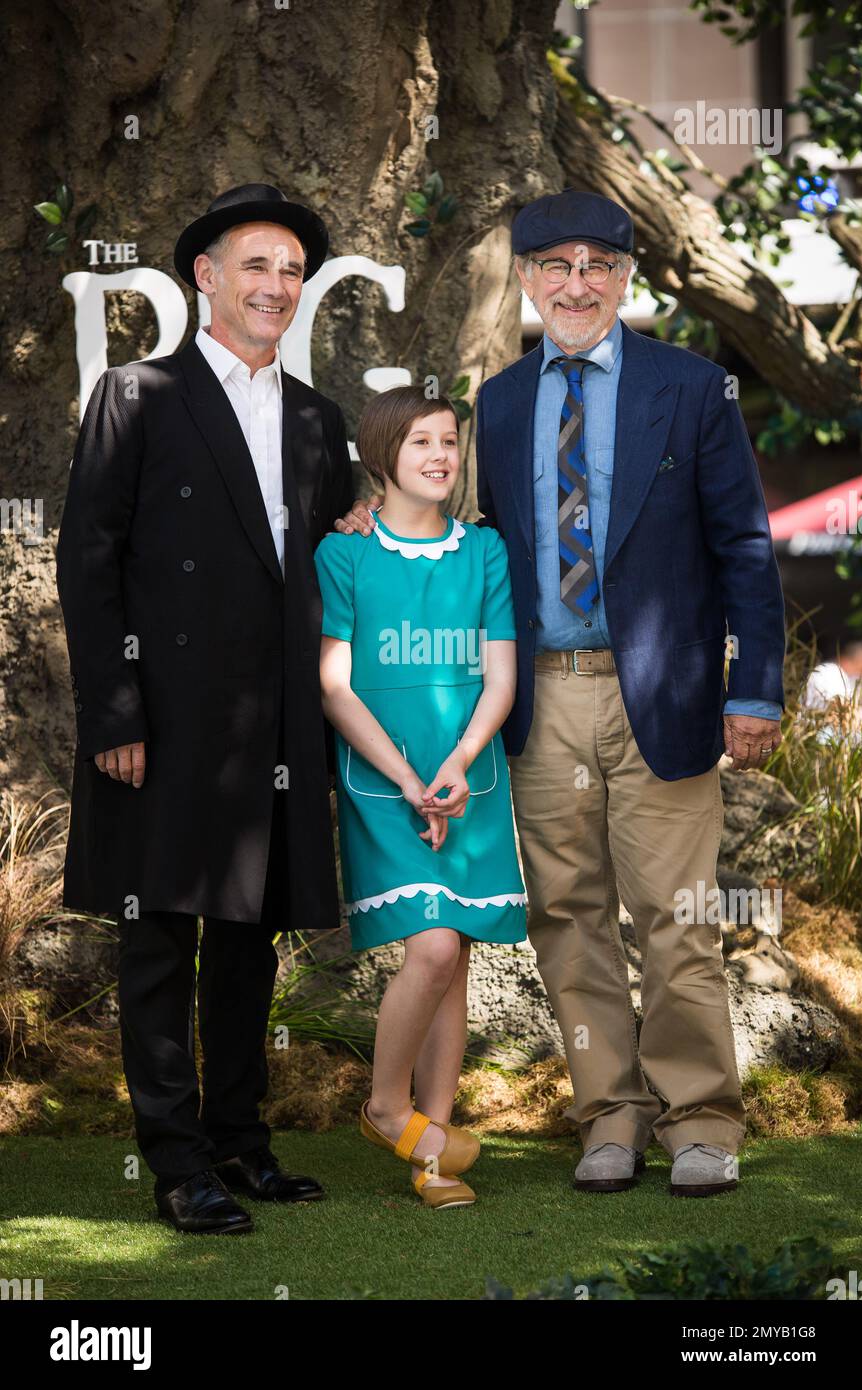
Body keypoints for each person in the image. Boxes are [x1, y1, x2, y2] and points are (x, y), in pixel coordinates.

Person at [334, 189, 787, 1198]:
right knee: (567, 918)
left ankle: (700, 1119)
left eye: (596, 264)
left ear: (625, 276)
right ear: (528, 278)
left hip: (660, 698)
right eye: (554, 265)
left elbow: (743, 548)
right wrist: (372, 518)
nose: (575, 283)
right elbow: (468, 534)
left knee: (673, 915)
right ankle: (607, 1119)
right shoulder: (497, 401)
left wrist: (753, 686)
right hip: (536, 702)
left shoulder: (692, 387)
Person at [56, 183, 355, 1234]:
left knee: (248, 939)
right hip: (163, 719)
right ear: (206, 278)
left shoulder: (320, 419)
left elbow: (329, 567)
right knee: (158, 938)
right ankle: (176, 1161)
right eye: (257, 265)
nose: (277, 285)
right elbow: (87, 564)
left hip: (269, 729)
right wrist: (113, 714)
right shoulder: (135, 394)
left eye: (290, 270)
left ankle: (239, 1137)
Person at [314, 385, 527, 1210]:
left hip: (468, 781)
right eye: (420, 444)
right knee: (431, 946)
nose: (440, 456)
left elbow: (500, 677)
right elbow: (335, 685)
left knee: (455, 956)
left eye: (450, 442)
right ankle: (384, 1104)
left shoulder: (485, 552)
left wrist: (461, 762)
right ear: (382, 458)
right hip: (384, 783)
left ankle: (431, 1152)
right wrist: (407, 779)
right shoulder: (345, 554)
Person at [801, 639, 862, 744]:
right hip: (820, 744)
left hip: (843, 746)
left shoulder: (855, 679)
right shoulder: (827, 672)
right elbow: (837, 711)